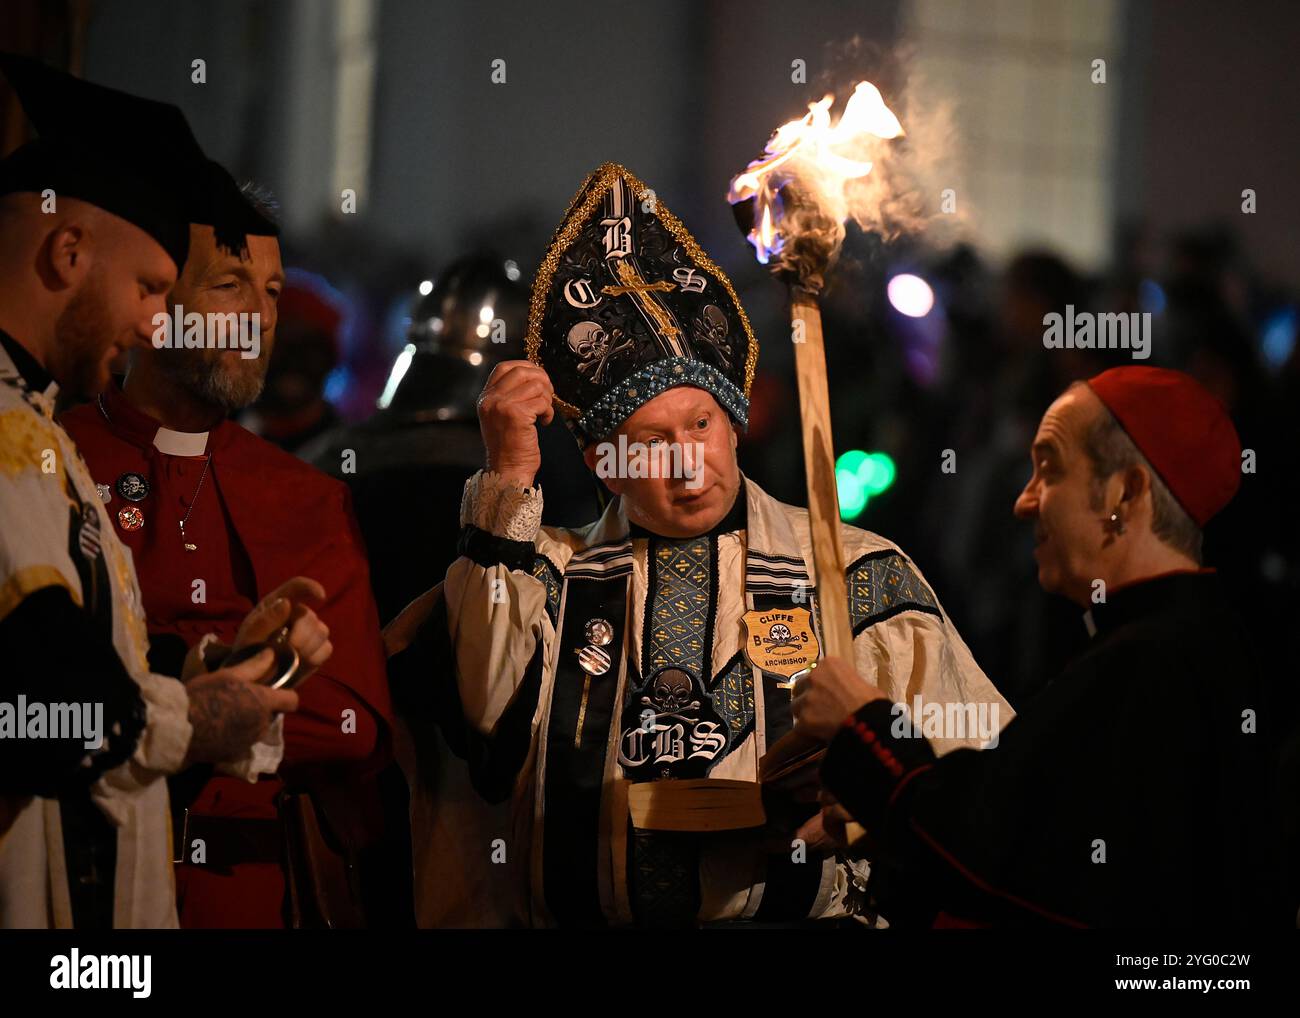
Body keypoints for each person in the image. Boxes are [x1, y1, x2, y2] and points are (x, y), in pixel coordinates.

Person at [409, 163, 1010, 927]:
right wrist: (506, 484)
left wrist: (867, 776)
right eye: (654, 442)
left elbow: (984, 776)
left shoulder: (858, 571)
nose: (691, 462)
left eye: (702, 426)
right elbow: (482, 719)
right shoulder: (552, 573)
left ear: (738, 424)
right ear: (605, 463)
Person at [0, 53, 326, 929]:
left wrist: (204, 673)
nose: (156, 321)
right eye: (148, 287)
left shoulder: (32, 426)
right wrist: (189, 716)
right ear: (68, 252)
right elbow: (37, 709)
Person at [793, 366, 1284, 926]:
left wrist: (862, 726)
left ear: (1125, 491)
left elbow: (999, 862)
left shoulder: (1156, 659)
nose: (1023, 502)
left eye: (1048, 469)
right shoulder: (1180, 638)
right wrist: (881, 817)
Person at [61, 184, 393, 928]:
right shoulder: (52, 454)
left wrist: (190, 705)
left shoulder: (305, 495)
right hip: (66, 871)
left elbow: (350, 720)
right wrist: (205, 694)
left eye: (272, 291)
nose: (263, 317)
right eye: (230, 285)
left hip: (241, 892)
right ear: (154, 302)